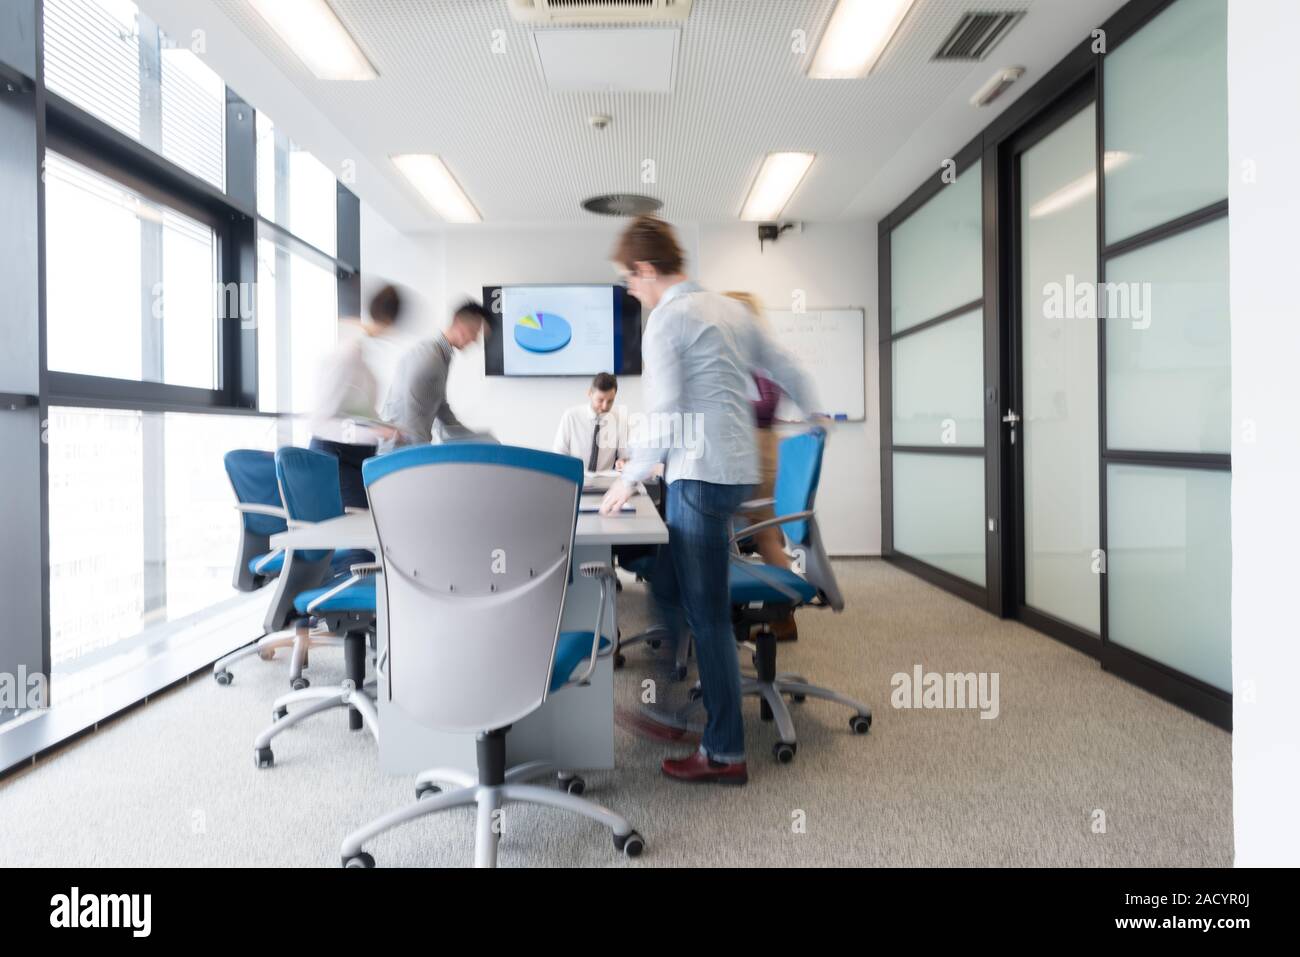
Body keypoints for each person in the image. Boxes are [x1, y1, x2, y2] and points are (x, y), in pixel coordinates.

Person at [601, 215, 818, 786]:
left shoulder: (668, 319)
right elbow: (785, 363)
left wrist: (630, 479)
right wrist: (814, 412)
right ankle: (672, 710)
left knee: (706, 615)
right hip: (735, 473)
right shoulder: (729, 308)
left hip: (697, 476)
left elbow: (666, 409)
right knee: (670, 581)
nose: (630, 289)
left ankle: (722, 751)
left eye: (630, 278)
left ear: (647, 269)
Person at [309, 284, 405, 509]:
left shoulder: (364, 357)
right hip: (335, 459)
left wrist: (384, 427)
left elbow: (356, 411)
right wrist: (371, 432)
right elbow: (320, 422)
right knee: (362, 534)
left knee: (374, 528)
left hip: (357, 458)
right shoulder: (346, 356)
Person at [378, 300, 489, 452]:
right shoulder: (429, 357)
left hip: (408, 448)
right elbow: (412, 416)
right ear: (457, 323)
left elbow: (441, 408)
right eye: (473, 331)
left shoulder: (442, 356)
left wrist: (475, 439)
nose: (475, 340)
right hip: (398, 452)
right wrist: (424, 456)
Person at [552, 372, 629, 472]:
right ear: (590, 393)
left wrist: (623, 462)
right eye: (600, 400)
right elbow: (559, 454)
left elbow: (624, 456)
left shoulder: (620, 420)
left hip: (605, 482)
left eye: (610, 401)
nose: (605, 406)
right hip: (575, 479)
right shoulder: (571, 416)